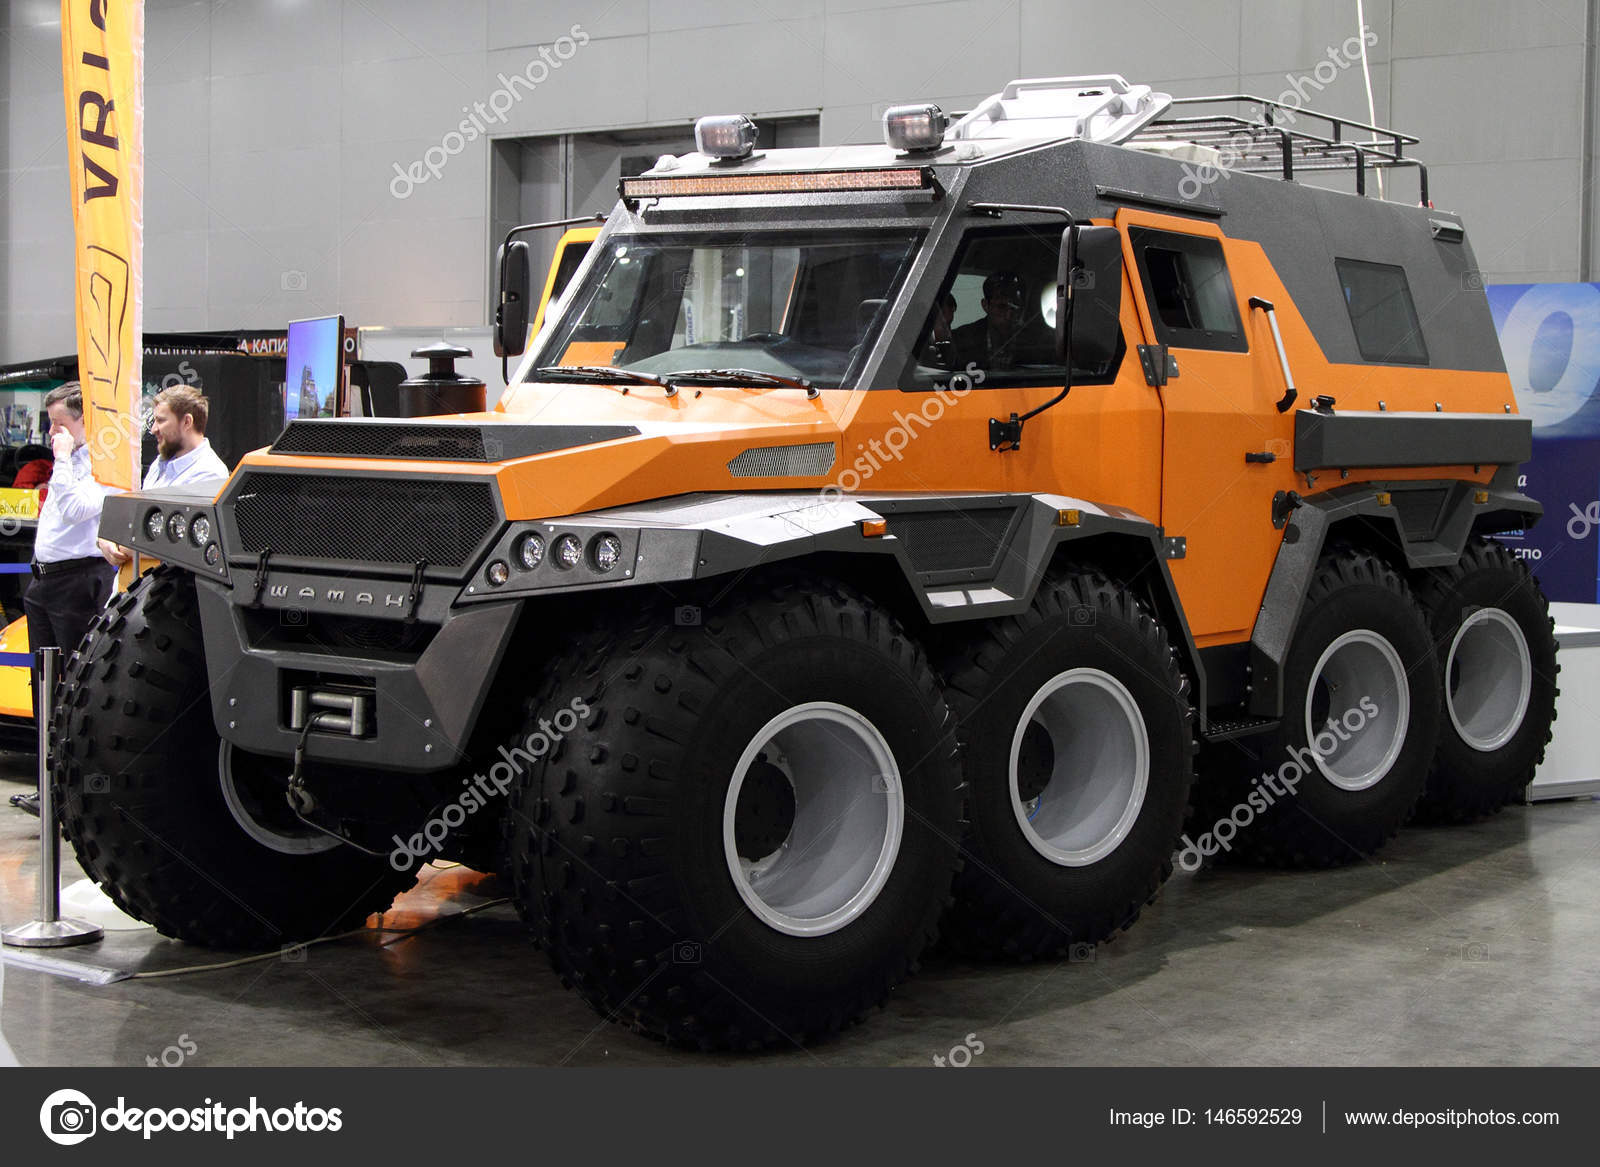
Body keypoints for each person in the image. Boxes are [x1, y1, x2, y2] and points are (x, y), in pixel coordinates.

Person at [11, 383, 116, 817]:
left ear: (83, 422)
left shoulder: (101, 464)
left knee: (75, 686)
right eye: (50, 423)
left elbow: (76, 510)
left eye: (60, 423)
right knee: (43, 685)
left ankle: (79, 791)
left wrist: (65, 457)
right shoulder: (65, 463)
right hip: (43, 583)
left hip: (77, 581)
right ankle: (49, 785)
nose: (53, 432)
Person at [97, 386, 229, 569]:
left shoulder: (209, 474)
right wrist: (107, 540)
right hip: (138, 584)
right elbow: (137, 520)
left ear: (187, 422)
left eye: (160, 421)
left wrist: (121, 544)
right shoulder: (160, 464)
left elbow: (183, 543)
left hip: (171, 588)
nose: (153, 429)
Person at [950, 271, 1029, 372]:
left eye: (1015, 307)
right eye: (1001, 307)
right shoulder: (961, 339)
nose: (1009, 314)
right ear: (985, 305)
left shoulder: (1036, 340)